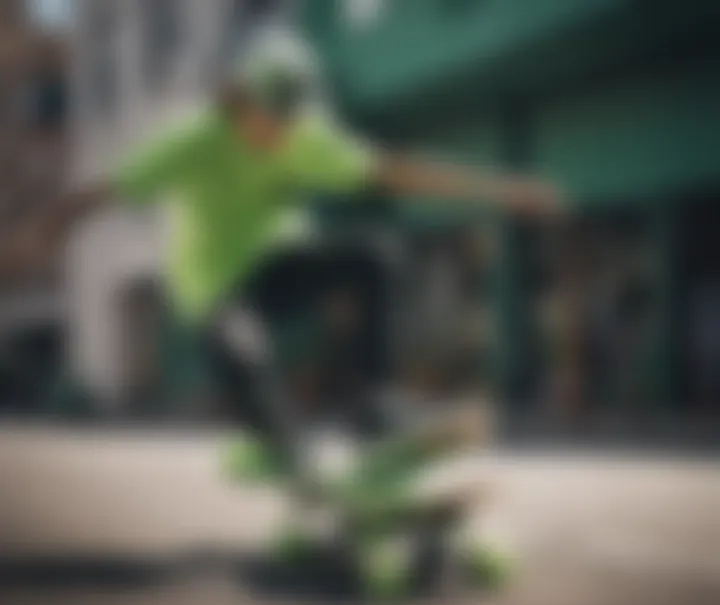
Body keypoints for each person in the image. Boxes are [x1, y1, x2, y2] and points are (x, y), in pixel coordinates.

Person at [0, 31, 567, 494]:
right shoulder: (193, 140)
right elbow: (103, 191)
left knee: (374, 259)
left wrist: (503, 191)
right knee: (244, 351)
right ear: (238, 101)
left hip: (274, 267)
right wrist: (42, 234)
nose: (273, 136)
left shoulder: (302, 138)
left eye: (285, 123)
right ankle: (284, 446)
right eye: (264, 120)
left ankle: (365, 407)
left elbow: (400, 170)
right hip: (214, 288)